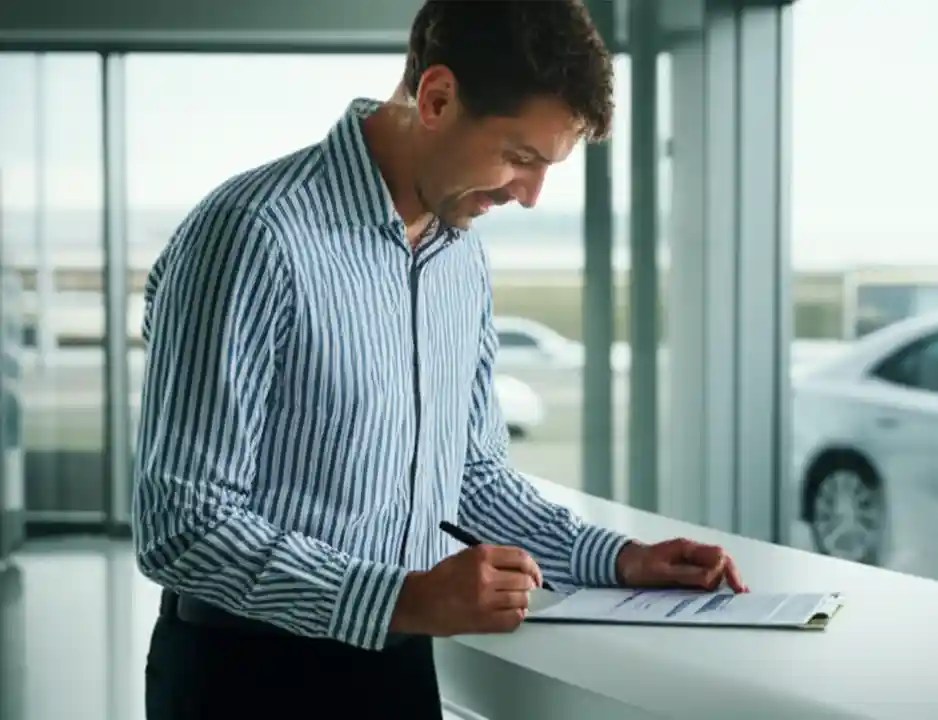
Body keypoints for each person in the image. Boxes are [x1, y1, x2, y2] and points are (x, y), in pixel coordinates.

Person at [134, 2, 747, 718]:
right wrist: (401, 597)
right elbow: (182, 522)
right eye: (520, 158)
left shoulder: (461, 260)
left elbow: (472, 477)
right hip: (242, 681)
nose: (528, 195)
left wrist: (620, 559)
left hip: (398, 671)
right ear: (437, 98)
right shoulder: (250, 235)